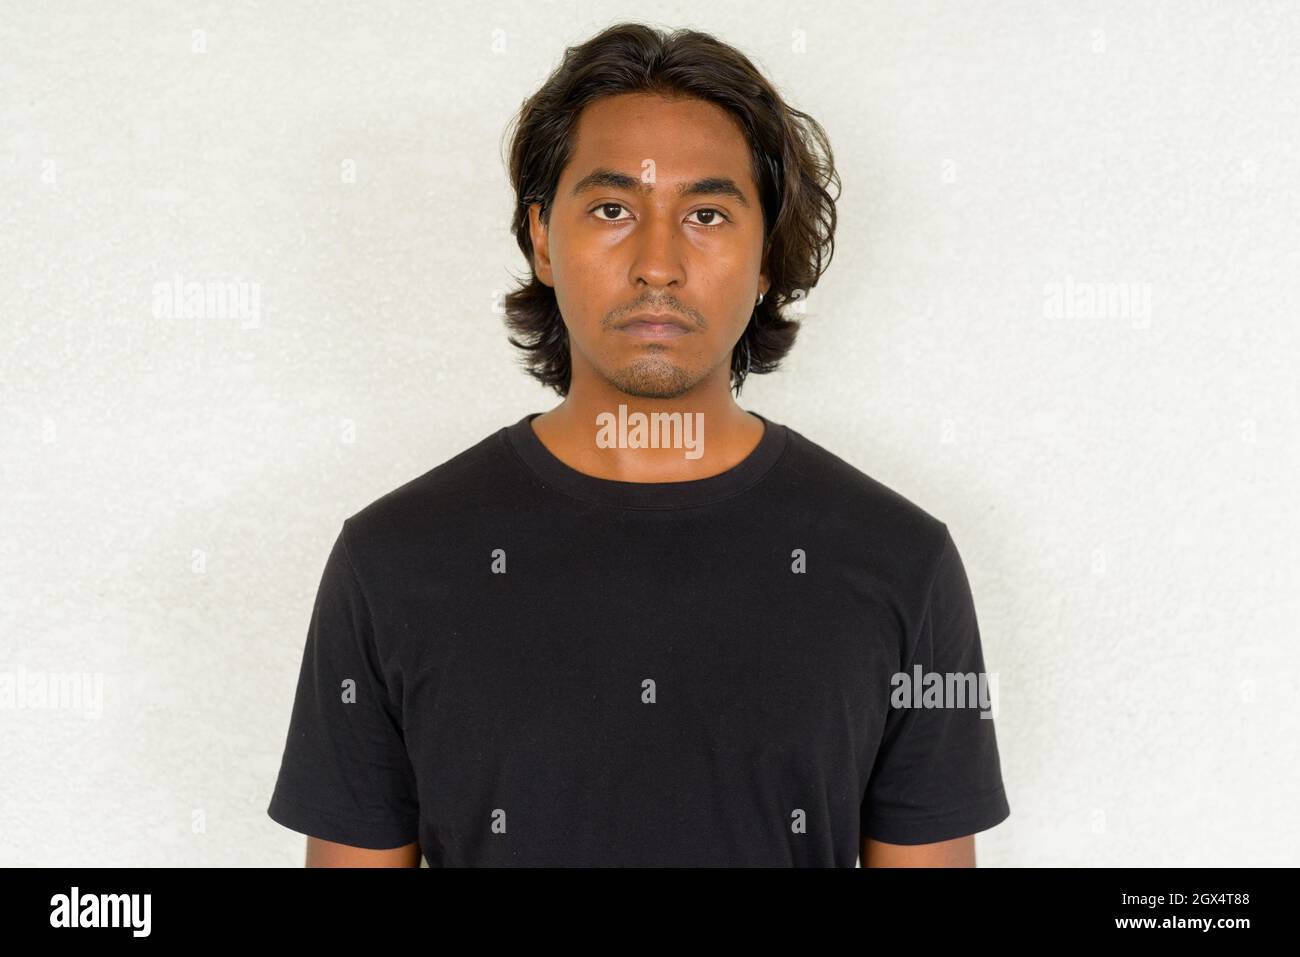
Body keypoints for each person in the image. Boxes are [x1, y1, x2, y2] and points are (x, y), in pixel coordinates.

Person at [267, 21, 1009, 867]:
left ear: (766, 253)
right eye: (614, 209)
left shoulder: (902, 563)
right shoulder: (391, 561)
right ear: (544, 238)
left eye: (706, 213)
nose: (658, 262)